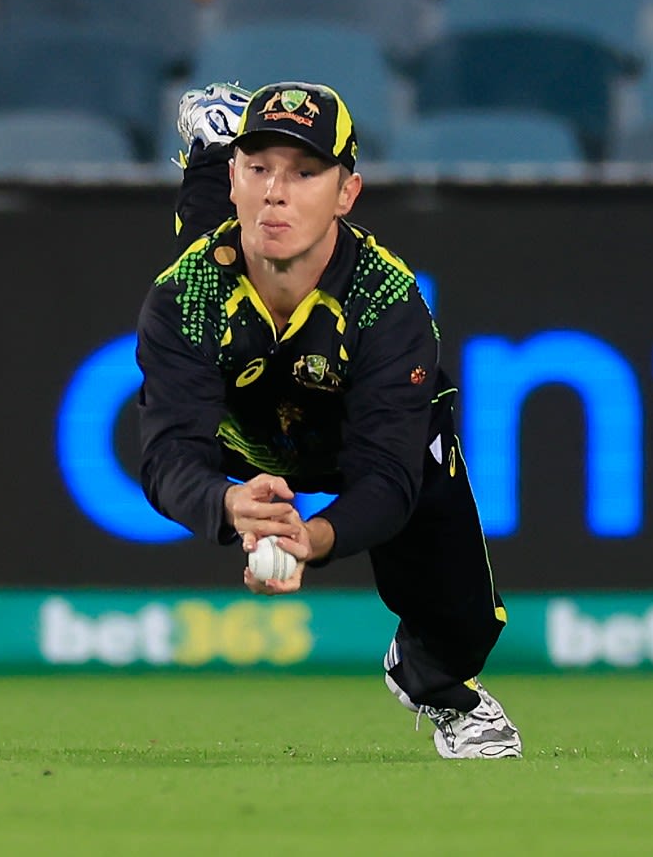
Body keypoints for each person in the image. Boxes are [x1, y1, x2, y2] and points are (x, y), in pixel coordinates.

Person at [135, 81, 521, 759]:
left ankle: (431, 677)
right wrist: (228, 504)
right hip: (245, 428)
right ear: (237, 178)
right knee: (213, 255)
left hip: (355, 434)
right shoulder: (185, 296)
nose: (276, 192)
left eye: (306, 172)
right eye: (257, 167)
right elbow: (167, 455)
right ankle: (216, 147)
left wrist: (309, 540)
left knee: (467, 626)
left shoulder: (389, 302)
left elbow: (388, 480)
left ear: (348, 193)